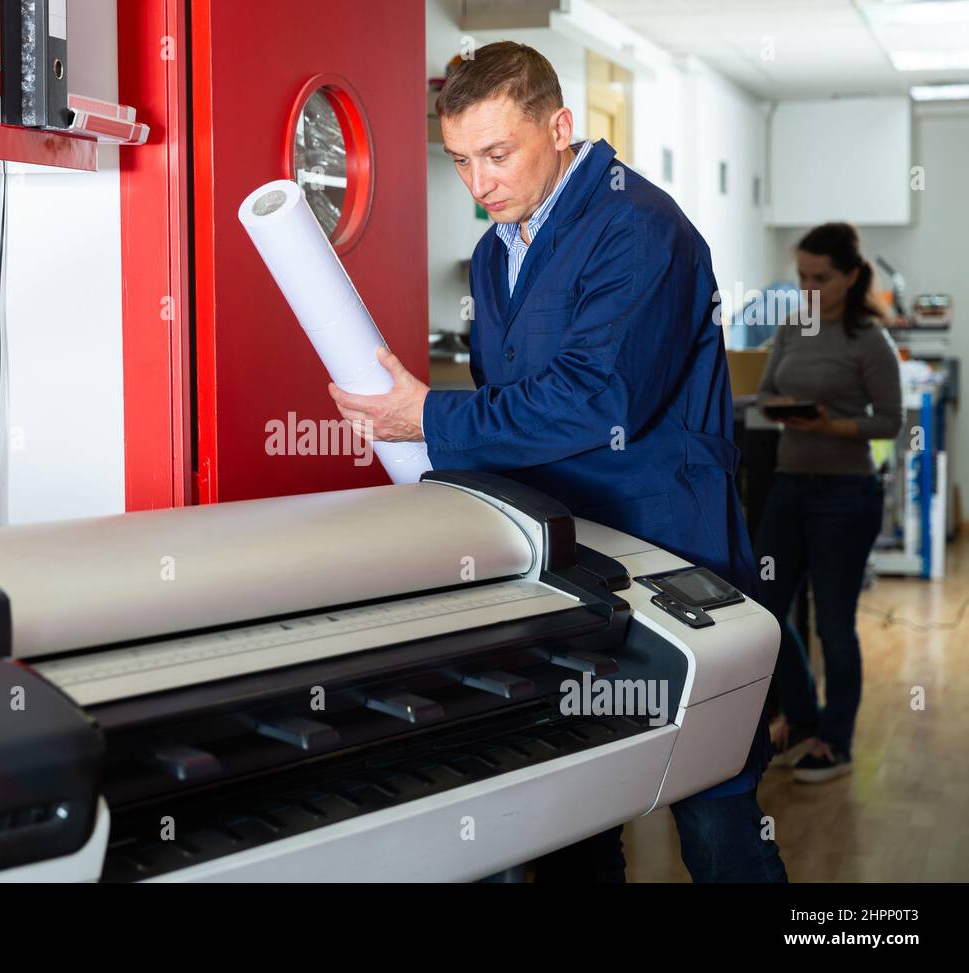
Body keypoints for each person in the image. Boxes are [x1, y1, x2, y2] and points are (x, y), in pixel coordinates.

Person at [328, 41, 786, 881]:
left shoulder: (640, 228)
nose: (479, 182)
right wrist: (427, 438)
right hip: (572, 566)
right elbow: (515, 409)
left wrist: (426, 414)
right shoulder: (498, 252)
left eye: (498, 154)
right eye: (462, 160)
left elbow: (596, 399)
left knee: (716, 808)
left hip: (672, 558)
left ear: (561, 125)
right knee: (578, 805)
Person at [754, 223, 904, 782]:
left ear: (851, 276)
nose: (809, 289)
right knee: (763, 609)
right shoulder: (794, 327)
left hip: (845, 494)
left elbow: (891, 421)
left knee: (835, 628)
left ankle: (834, 742)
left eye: (821, 279)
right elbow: (767, 391)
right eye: (802, 278)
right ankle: (803, 717)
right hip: (790, 485)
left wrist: (829, 424)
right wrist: (781, 408)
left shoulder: (870, 340)